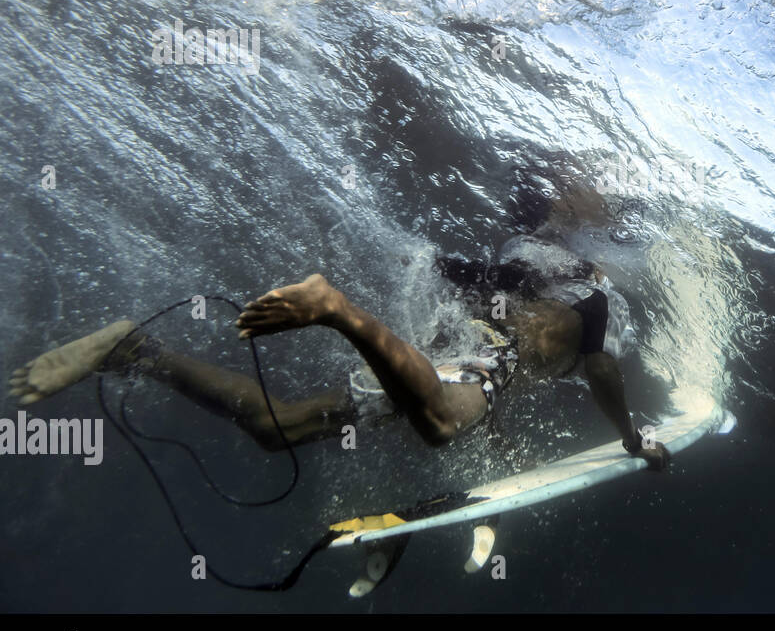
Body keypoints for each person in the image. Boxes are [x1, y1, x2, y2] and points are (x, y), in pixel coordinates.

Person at [7, 182, 670, 470]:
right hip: (477, 357)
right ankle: (334, 308)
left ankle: (136, 349)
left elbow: (496, 340)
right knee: (438, 423)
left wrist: (498, 449)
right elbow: (601, 367)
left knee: (278, 429)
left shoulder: (536, 269)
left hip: (458, 344)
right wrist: (631, 440)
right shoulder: (604, 303)